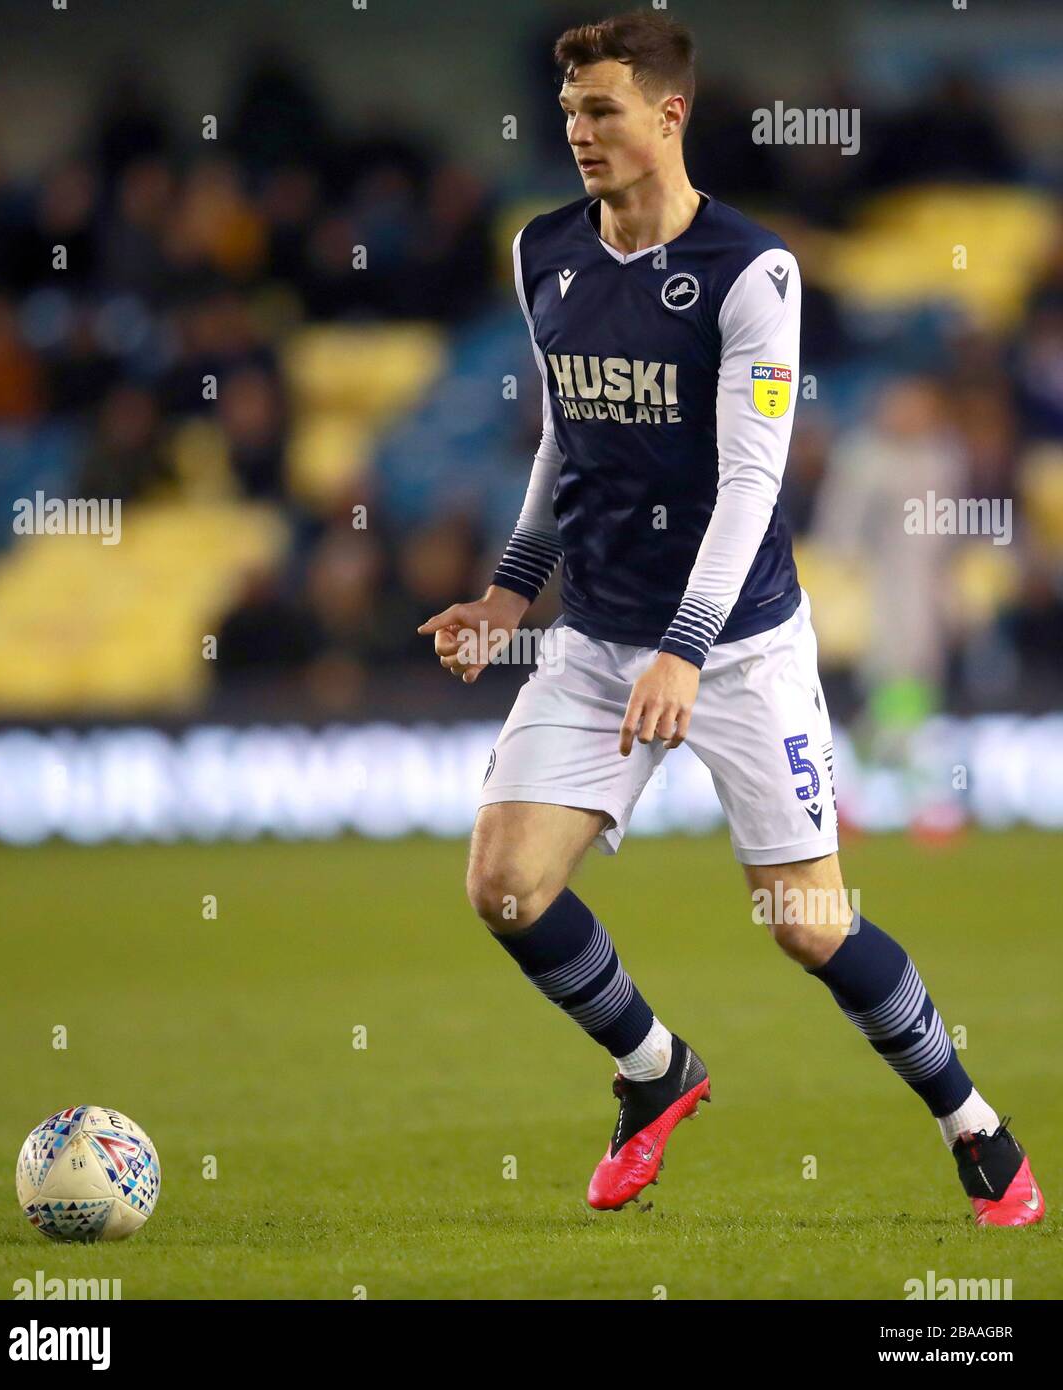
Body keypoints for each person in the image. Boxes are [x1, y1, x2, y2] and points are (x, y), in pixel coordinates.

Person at [419, 11, 1041, 1226]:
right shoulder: (543, 249)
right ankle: (654, 1067)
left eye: (602, 109)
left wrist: (687, 649)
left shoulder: (753, 272)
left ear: (669, 115)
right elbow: (563, 439)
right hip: (599, 638)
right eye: (569, 111)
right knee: (504, 883)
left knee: (809, 925)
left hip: (739, 647)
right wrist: (510, 589)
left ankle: (975, 1125)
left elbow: (754, 483)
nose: (579, 131)